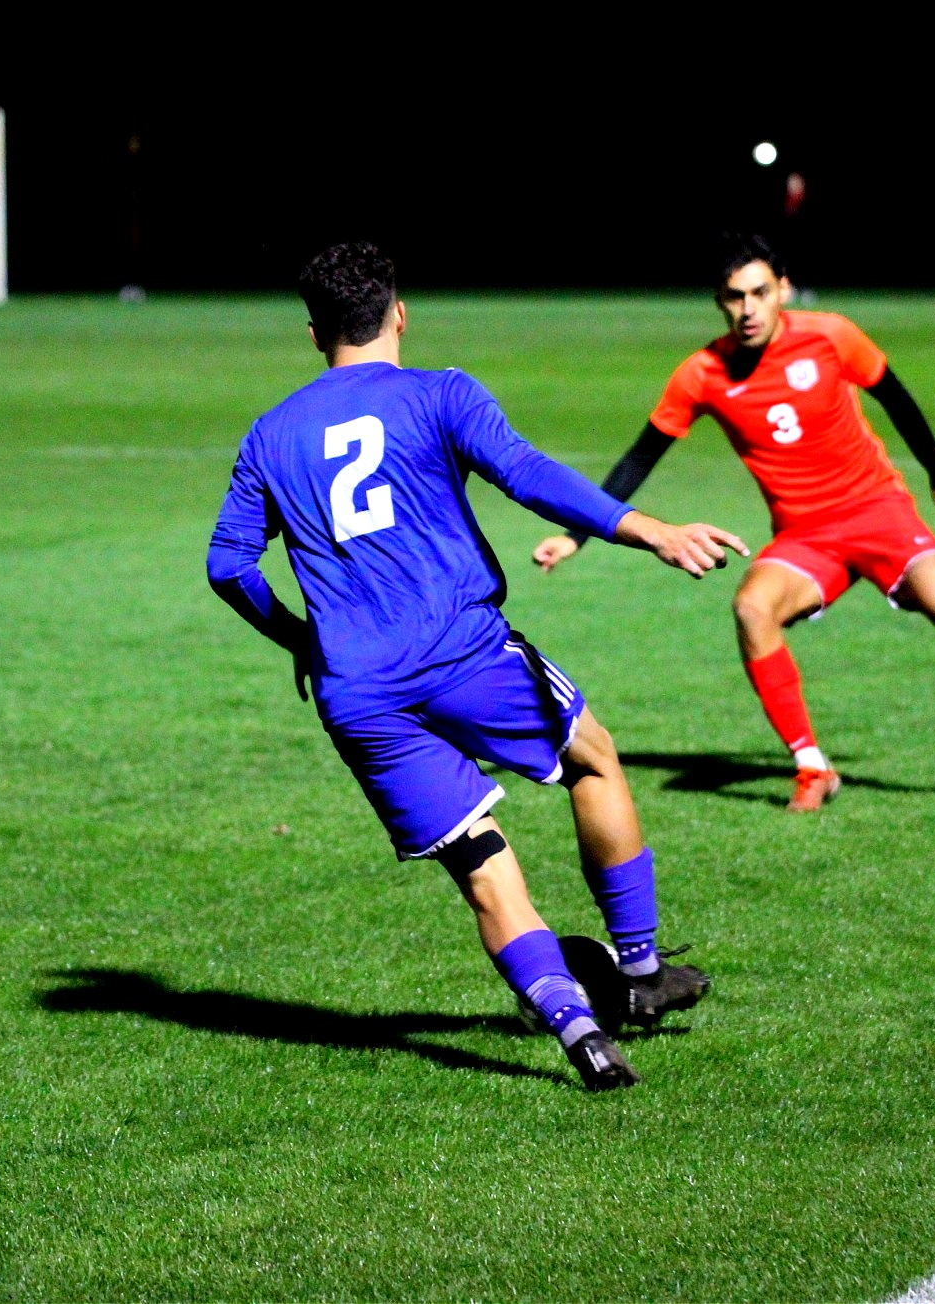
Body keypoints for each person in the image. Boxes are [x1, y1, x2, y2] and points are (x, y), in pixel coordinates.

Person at [208, 244, 748, 1090]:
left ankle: (583, 1038)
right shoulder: (439, 392)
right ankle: (639, 974)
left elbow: (229, 567)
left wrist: (300, 640)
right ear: (399, 313)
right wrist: (653, 531)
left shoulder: (270, 434)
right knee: (593, 756)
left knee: (483, 865)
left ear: (313, 333)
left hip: (358, 693)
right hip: (459, 649)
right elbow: (527, 475)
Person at [532, 234, 935, 812]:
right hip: (806, 537)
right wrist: (575, 535)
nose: (747, 309)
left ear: (783, 290)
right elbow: (641, 457)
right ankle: (813, 766)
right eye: (734, 297)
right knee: (752, 608)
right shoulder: (702, 374)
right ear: (719, 302)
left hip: (879, 511)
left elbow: (895, 397)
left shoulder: (831, 335)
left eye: (759, 293)